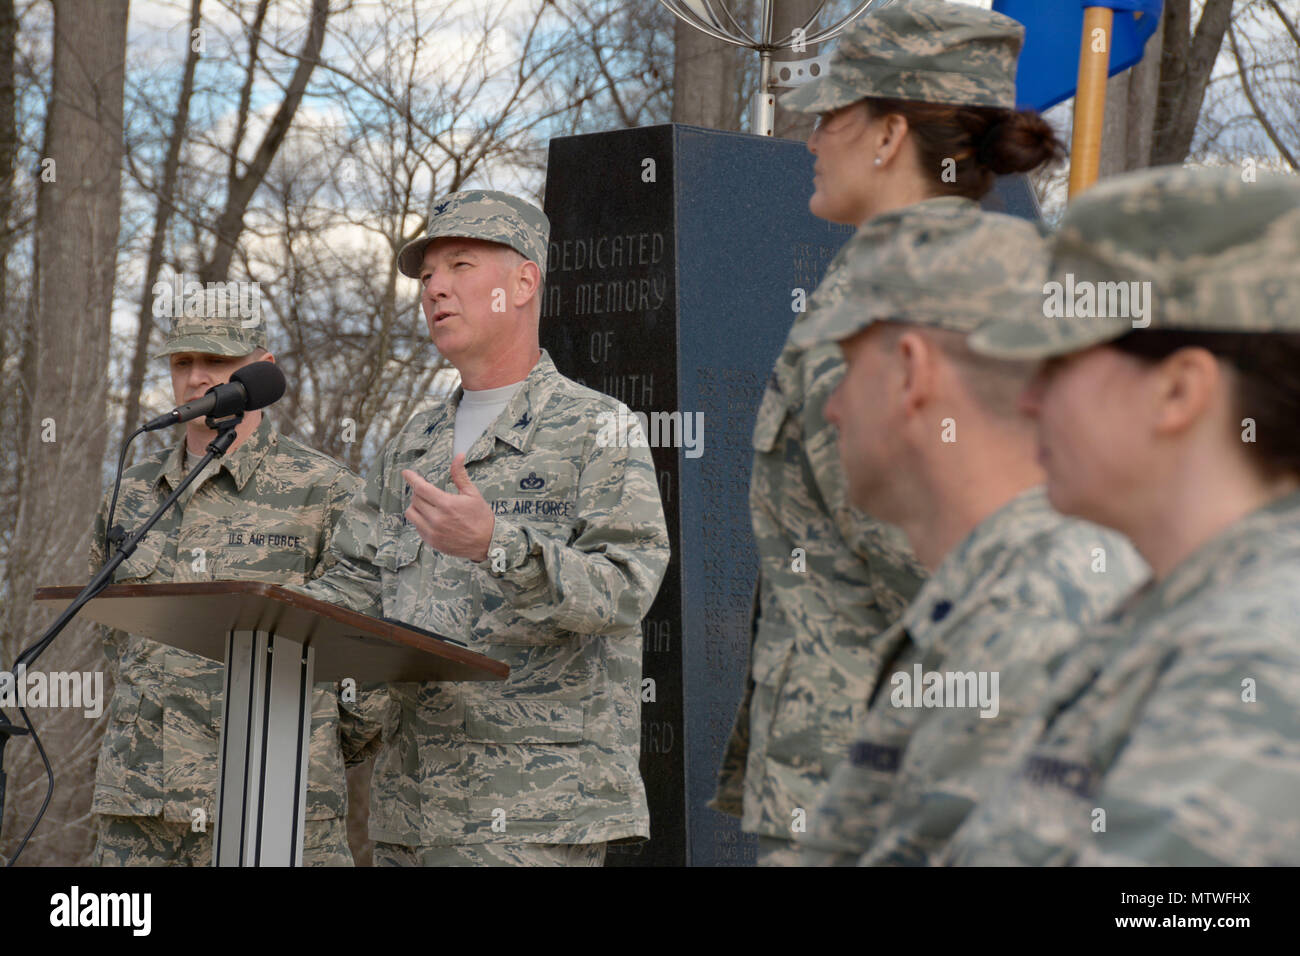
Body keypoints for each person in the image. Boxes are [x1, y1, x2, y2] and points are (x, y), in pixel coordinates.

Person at [711, 0, 1065, 866]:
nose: (810, 137)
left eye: (832, 113)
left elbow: (936, 565)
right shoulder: (930, 277)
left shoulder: (913, 300)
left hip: (885, 798)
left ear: (888, 134)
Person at [941, 165, 1300, 866]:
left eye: (1059, 359)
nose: (1027, 401)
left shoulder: (1255, 654)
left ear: (1178, 390)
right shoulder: (1179, 613)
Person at [299, 190, 670, 867]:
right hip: (410, 815)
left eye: (460, 265)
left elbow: (625, 588)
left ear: (523, 281)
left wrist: (498, 547)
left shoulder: (599, 428)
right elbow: (349, 592)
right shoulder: (412, 448)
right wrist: (267, 623)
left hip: (535, 817)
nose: (434, 288)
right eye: (426, 276)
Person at [783, 201, 1147, 866]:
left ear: (911, 373)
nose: (831, 406)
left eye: (846, 366)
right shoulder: (1004, 590)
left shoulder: (1033, 618)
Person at [88, 311, 364, 866]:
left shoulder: (326, 491)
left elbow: (366, 653)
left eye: (216, 361)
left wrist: (323, 746)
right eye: (183, 362)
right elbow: (111, 628)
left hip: (276, 798)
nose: (196, 378)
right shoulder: (134, 491)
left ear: (262, 371)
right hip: (141, 803)